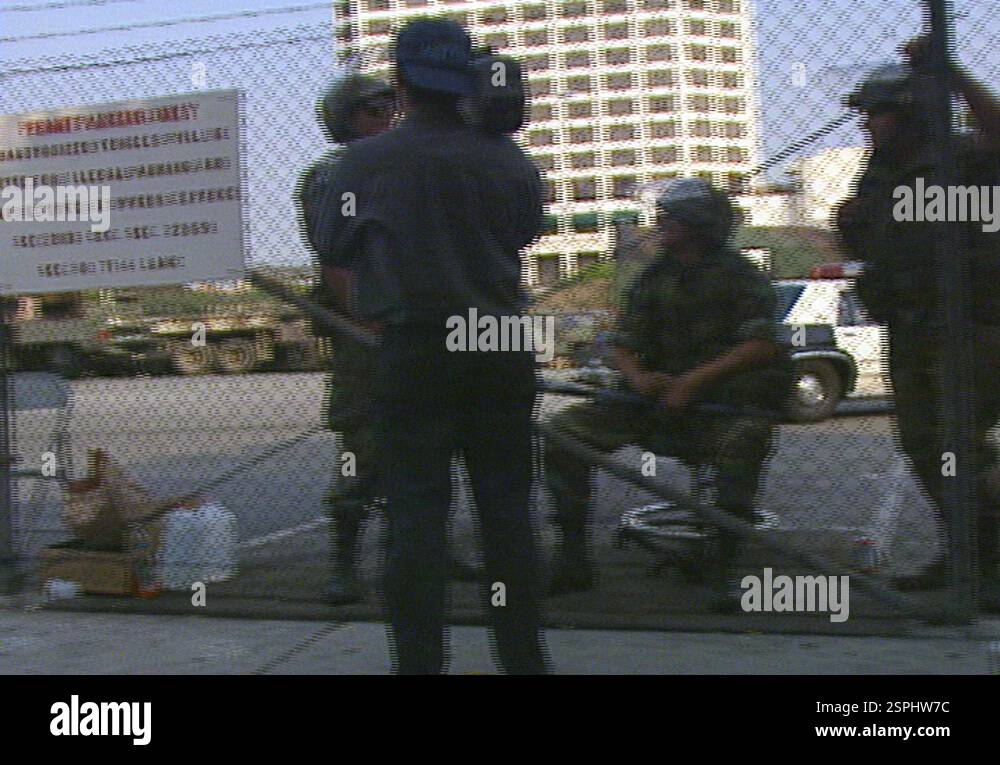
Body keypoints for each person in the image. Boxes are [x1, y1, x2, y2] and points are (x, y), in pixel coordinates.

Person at [311, 17, 548, 674]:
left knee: (416, 514)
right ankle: (524, 659)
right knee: (507, 512)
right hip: (499, 344)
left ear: (401, 81)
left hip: (416, 346)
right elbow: (525, 231)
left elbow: (334, 247)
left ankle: (420, 662)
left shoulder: (363, 162)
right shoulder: (508, 158)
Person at [543, 178, 792, 607]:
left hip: (720, 404)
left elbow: (762, 345)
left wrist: (694, 382)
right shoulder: (655, 277)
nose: (660, 224)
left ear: (697, 225)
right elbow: (621, 342)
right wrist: (638, 375)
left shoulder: (739, 276)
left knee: (745, 440)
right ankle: (572, 560)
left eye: (670, 218)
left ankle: (720, 566)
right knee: (563, 433)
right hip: (650, 399)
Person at [837, 37, 1000, 594]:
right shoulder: (878, 172)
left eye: (878, 112)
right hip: (906, 326)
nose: (868, 125)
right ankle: (966, 556)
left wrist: (953, 74)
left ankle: (987, 565)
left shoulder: (961, 157)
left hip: (966, 325)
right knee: (923, 443)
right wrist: (849, 220)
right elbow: (870, 239)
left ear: (910, 113)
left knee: (961, 443)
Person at [295, 74, 396, 605]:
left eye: (388, 105)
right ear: (346, 119)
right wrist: (367, 317)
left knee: (429, 440)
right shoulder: (333, 176)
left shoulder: (400, 168)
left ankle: (431, 551)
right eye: (371, 109)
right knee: (363, 445)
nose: (385, 115)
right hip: (366, 334)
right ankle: (345, 563)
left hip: (411, 324)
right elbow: (335, 256)